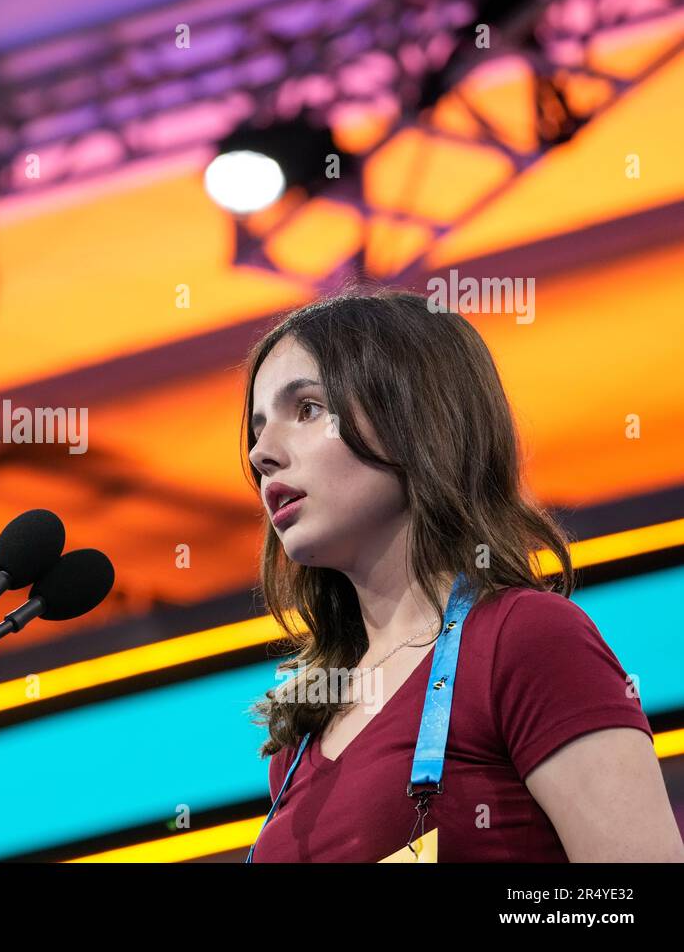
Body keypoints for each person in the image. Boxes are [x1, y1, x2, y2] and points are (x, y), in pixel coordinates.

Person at [242, 289, 682, 862]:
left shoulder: (525, 639)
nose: (260, 453)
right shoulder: (302, 734)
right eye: (256, 428)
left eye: (306, 409)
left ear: (413, 419)